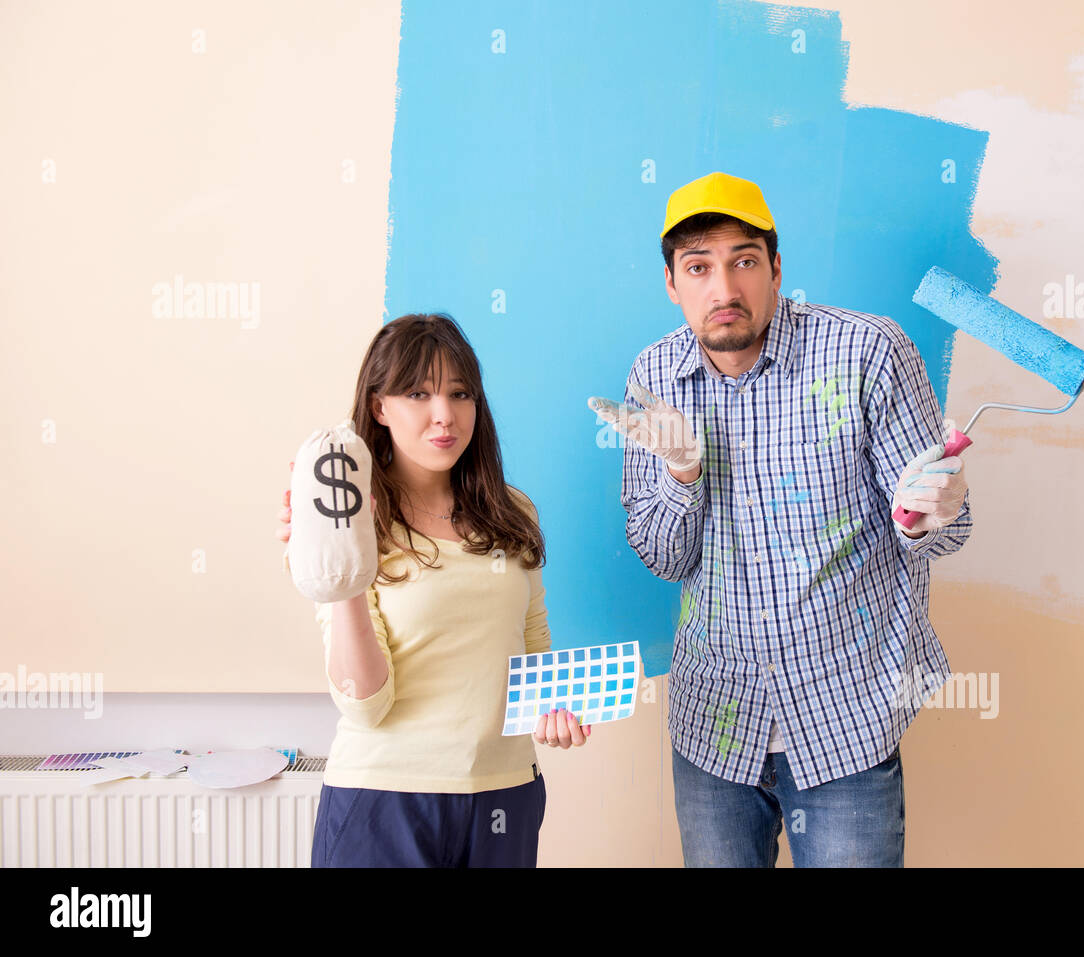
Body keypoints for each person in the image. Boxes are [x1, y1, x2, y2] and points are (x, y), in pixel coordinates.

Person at [588, 171, 973, 867]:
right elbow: (662, 557)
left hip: (848, 717)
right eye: (698, 267)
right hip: (716, 724)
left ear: (776, 268)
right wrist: (683, 475)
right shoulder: (655, 377)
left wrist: (930, 515)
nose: (724, 289)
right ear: (671, 283)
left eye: (743, 261)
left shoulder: (867, 352)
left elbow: (936, 527)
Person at [278, 313, 591, 868]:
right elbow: (365, 705)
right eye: (418, 394)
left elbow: (533, 646)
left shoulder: (512, 512)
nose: (444, 415)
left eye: (460, 393)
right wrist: (344, 564)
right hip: (384, 798)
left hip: (505, 795)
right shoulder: (349, 517)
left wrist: (556, 711)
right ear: (379, 406)